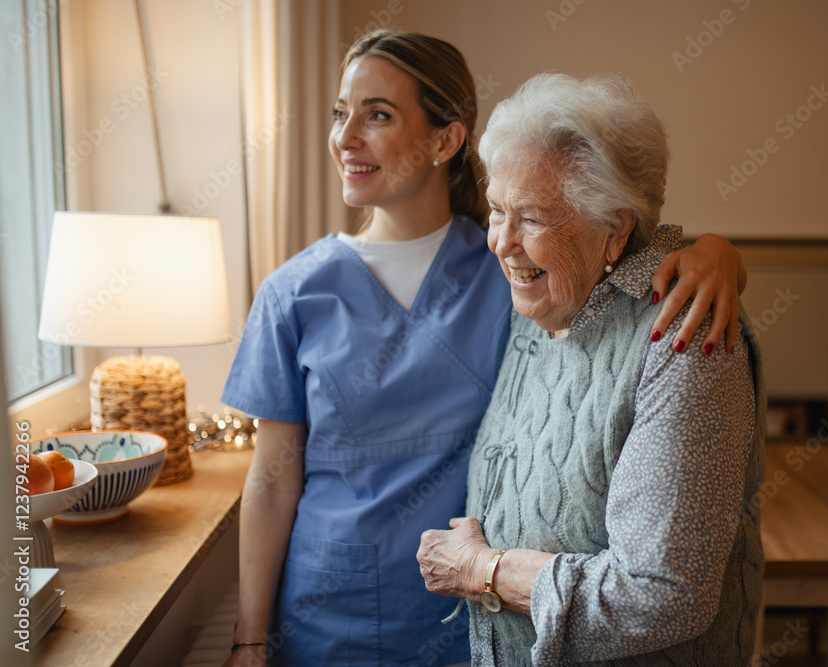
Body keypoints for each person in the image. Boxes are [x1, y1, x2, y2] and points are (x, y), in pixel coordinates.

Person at [221, 30, 748, 667]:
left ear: (447, 140)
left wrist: (718, 253)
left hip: (465, 622)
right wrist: (251, 640)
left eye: (378, 114)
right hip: (331, 610)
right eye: (339, 114)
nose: (345, 136)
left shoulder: (512, 277)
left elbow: (623, 265)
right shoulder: (296, 292)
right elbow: (272, 479)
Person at [416, 72, 765, 666]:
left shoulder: (682, 335)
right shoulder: (540, 300)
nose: (501, 241)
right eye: (497, 209)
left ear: (615, 230)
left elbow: (662, 595)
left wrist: (486, 570)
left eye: (530, 217)